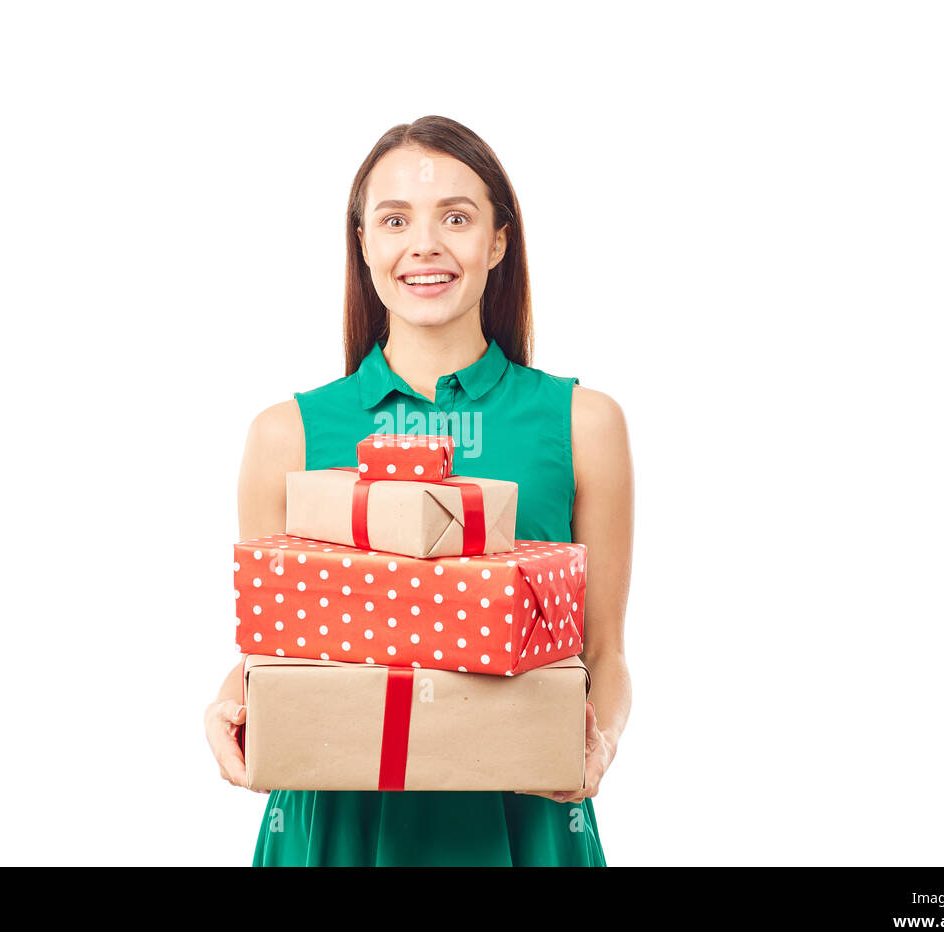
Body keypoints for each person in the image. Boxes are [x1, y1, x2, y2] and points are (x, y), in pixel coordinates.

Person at [204, 115, 633, 865]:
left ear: (498, 240)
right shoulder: (288, 434)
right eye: (395, 219)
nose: (424, 245)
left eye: (457, 218)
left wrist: (600, 741)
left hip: (521, 818)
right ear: (363, 241)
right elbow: (273, 652)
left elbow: (604, 653)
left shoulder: (582, 425)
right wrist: (227, 704)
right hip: (340, 823)